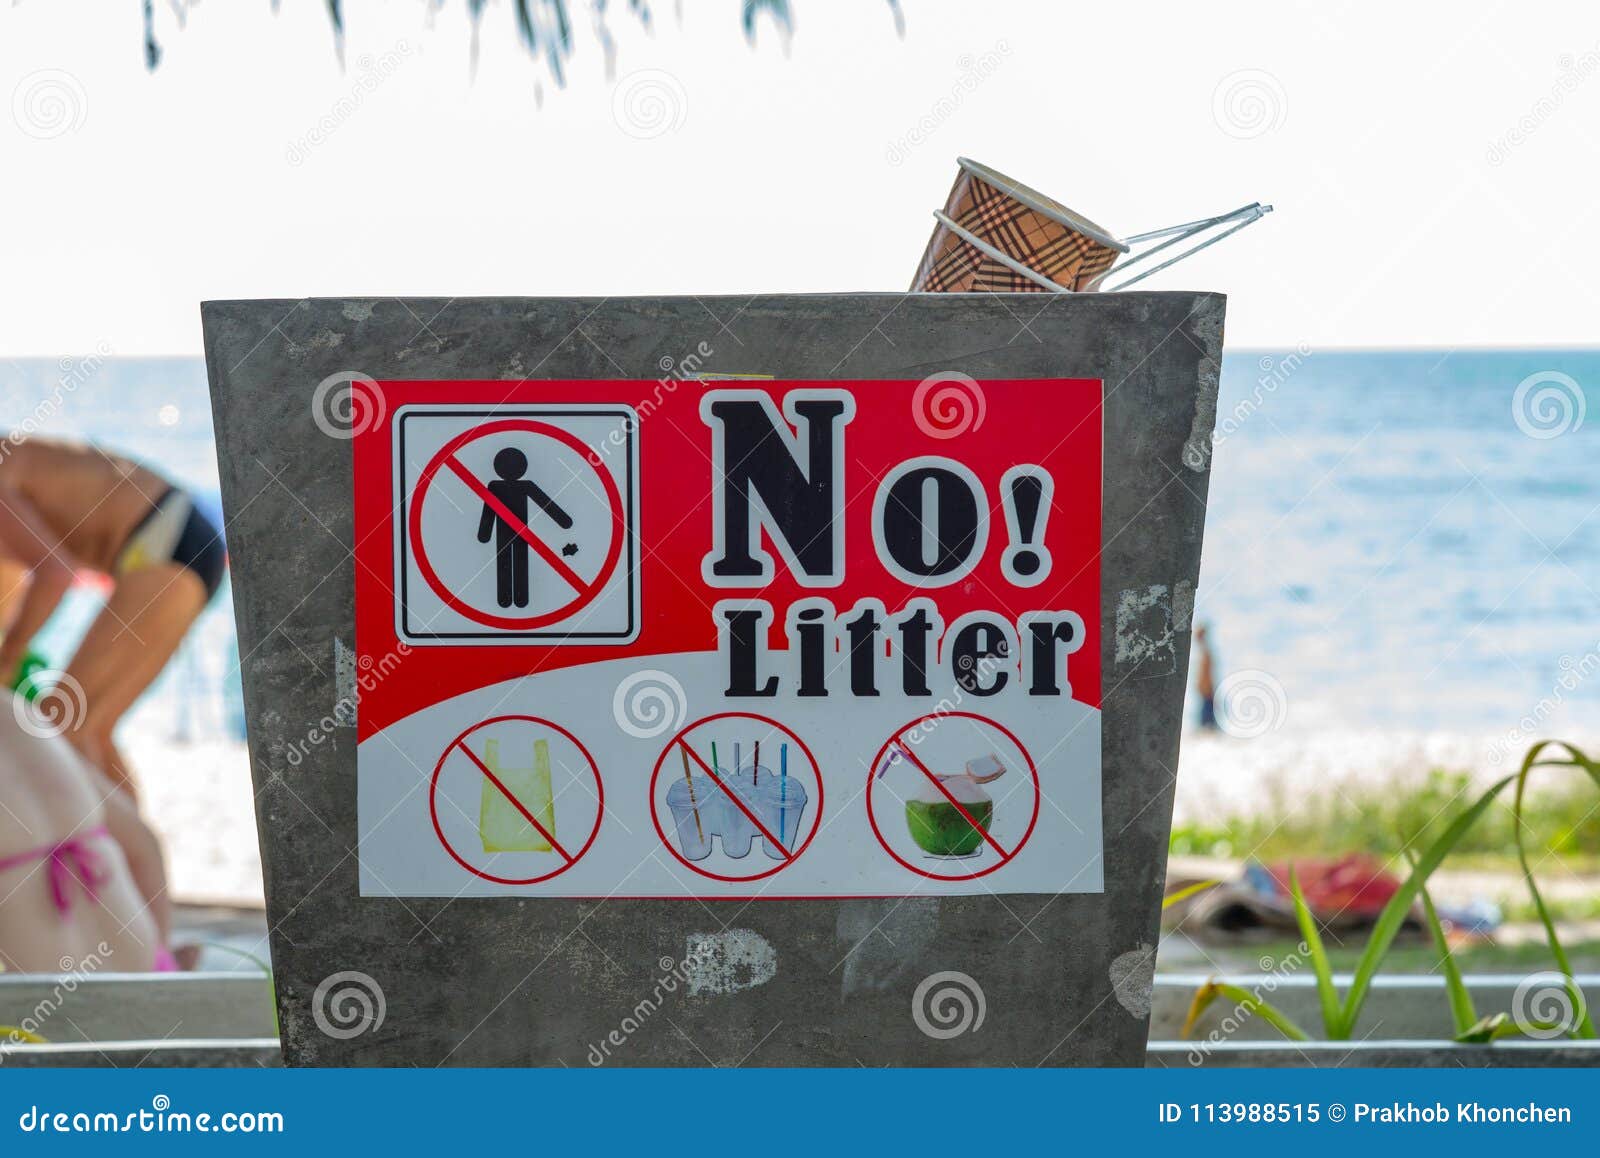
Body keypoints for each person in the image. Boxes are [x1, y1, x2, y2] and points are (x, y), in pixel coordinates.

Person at [0, 436, 226, 794]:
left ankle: (104, 848)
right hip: (181, 540)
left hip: (163, 542)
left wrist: (9, 657)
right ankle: (131, 849)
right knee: (89, 733)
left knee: (62, 725)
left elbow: (56, 575)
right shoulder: (22, 461)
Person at [0, 709, 172, 974]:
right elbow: (144, 845)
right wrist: (165, 959)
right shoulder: (20, 714)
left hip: (45, 1008)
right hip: (154, 978)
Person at [476, 446, 574, 609]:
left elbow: (545, 503)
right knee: (508, 561)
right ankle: (506, 598)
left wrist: (563, 521)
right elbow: (489, 510)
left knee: (515, 561)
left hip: (518, 534)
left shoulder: (510, 486)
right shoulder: (496, 487)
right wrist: (484, 533)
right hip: (513, 533)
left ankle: (516, 599)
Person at [1193, 622, 1220, 731]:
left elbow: (1207, 672)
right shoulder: (1205, 652)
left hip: (1207, 689)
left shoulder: (1206, 652)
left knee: (1207, 714)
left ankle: (1208, 727)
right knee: (1206, 711)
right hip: (1205, 688)